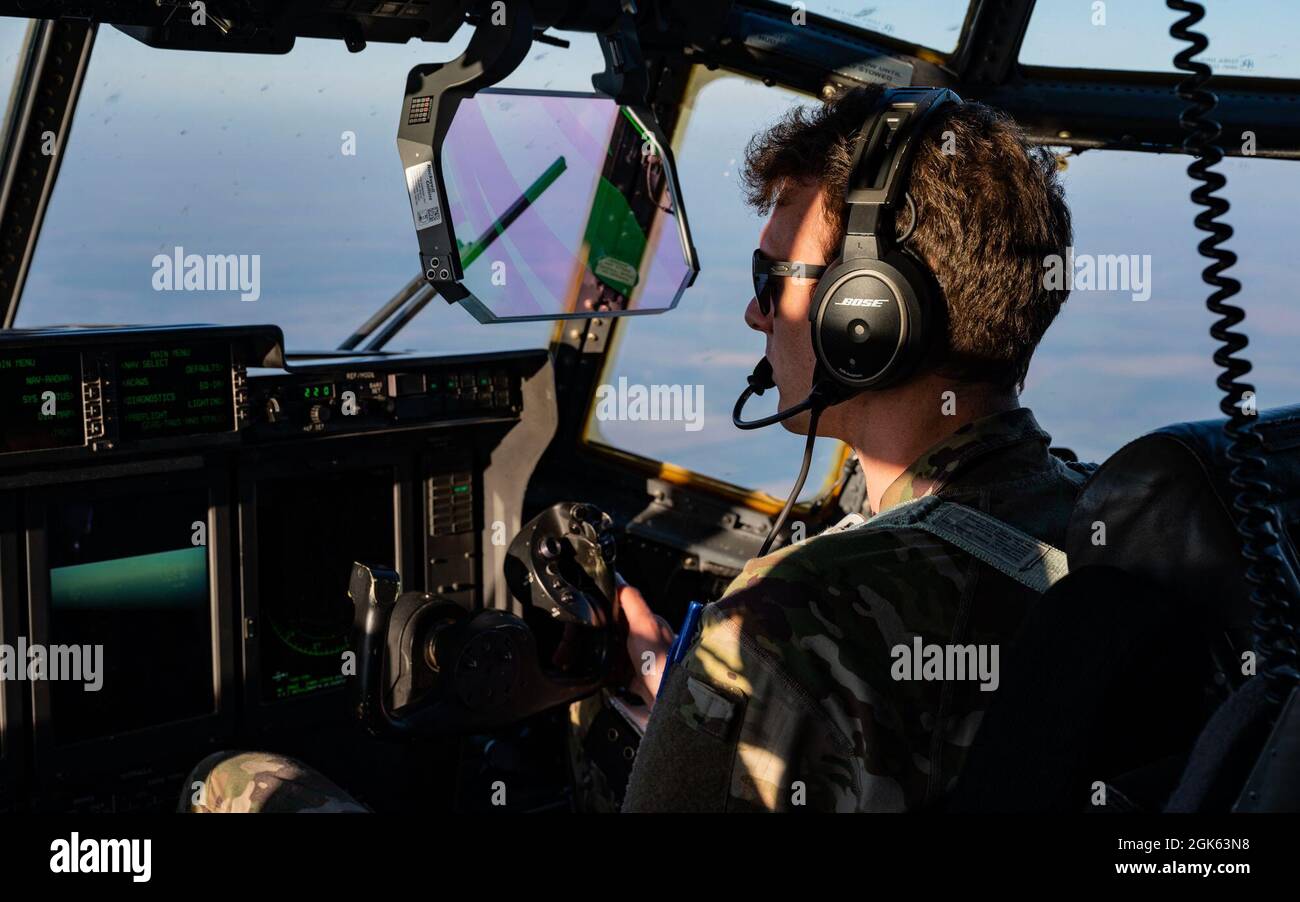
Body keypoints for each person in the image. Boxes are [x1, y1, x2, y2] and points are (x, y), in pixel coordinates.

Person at [183, 83, 1084, 813]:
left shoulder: (800, 613)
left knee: (231, 784)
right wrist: (683, 685)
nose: (754, 313)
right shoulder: (1105, 523)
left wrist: (724, 669)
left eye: (774, 281)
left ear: (868, 318)